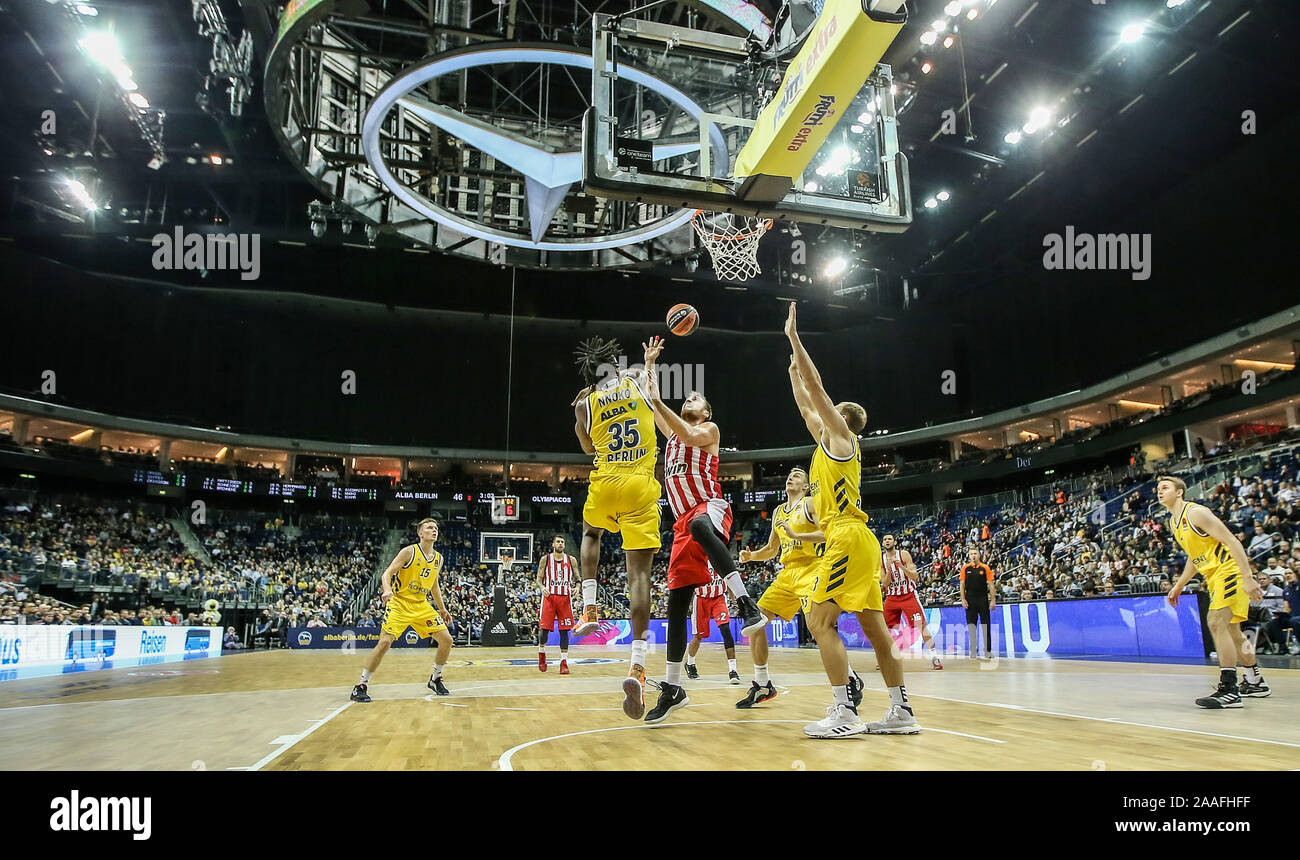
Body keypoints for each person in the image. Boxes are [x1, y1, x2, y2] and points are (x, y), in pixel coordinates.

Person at [784, 303, 918, 737]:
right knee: (876, 628)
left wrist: (794, 339)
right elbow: (807, 403)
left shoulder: (842, 439)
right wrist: (791, 373)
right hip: (859, 539)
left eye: (831, 410)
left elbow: (816, 389)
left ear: (842, 419)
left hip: (847, 538)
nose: (821, 415)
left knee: (819, 622)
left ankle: (844, 711)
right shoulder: (827, 445)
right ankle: (901, 712)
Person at [639, 336, 765, 724]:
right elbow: (651, 401)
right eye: (687, 398)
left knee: (697, 523)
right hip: (681, 525)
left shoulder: (708, 429)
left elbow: (684, 429)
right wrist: (650, 364)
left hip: (708, 507)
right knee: (677, 603)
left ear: (706, 410)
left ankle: (745, 602)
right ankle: (674, 687)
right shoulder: (673, 434)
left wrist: (659, 403)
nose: (689, 399)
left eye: (695, 398)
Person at [570, 336, 662, 718]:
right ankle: (637, 666)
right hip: (640, 484)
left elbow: (587, 448)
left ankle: (589, 607)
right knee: (638, 576)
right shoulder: (636, 377)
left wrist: (583, 407)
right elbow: (653, 397)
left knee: (591, 532)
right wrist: (650, 361)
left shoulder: (583, 404)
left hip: (606, 482)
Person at [734, 468, 847, 709]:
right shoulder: (777, 511)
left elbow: (827, 534)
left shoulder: (810, 503)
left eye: (797, 476)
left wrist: (797, 534)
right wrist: (751, 555)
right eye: (789, 475)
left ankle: (851, 678)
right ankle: (763, 683)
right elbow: (772, 549)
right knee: (756, 621)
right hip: (787, 573)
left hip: (813, 568)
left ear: (805, 486)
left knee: (818, 628)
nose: (790, 478)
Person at [1158, 475, 1267, 708]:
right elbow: (1195, 558)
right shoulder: (1173, 522)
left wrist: (1247, 577)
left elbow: (1231, 540)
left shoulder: (1195, 513)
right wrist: (1178, 585)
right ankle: (1255, 680)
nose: (1159, 491)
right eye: (1158, 488)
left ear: (1179, 492)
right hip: (1214, 576)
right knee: (1233, 632)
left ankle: (1229, 689)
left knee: (1216, 621)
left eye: (1165, 487)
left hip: (1229, 570)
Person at [351, 518, 454, 702]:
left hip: (421, 605)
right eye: (429, 528)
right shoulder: (409, 552)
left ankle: (435, 678)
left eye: (436, 528)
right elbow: (387, 573)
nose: (434, 530)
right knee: (384, 643)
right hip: (400, 602)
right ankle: (361, 685)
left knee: (446, 640)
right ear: (420, 533)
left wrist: (442, 608)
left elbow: (434, 585)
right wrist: (387, 589)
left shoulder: (438, 558)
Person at [879, 534, 942, 669]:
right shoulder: (881, 559)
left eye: (889, 539)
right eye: (885, 539)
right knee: (884, 629)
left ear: (894, 542)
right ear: (883, 543)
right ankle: (885, 658)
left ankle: (934, 657)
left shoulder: (904, 554)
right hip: (892, 597)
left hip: (909, 595)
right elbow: (884, 583)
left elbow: (915, 576)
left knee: (922, 626)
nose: (887, 541)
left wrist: (900, 566)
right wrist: (890, 569)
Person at [684, 564, 741, 685]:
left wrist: (733, 597)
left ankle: (733, 670)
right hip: (701, 599)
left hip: (719, 598)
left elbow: (728, 577)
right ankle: (690, 663)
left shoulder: (719, 555)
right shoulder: (697, 558)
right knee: (698, 636)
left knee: (725, 630)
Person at [536, 535, 578, 674]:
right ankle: (542, 653)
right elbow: (538, 580)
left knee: (564, 631)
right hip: (549, 598)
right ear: (553, 544)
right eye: (558, 542)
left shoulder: (571, 560)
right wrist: (542, 588)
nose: (560, 544)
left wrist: (577, 588)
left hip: (565, 599)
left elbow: (578, 579)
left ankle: (564, 662)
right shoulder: (545, 559)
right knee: (544, 631)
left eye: (562, 542)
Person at [960, 548, 996, 659]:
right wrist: (963, 599)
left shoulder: (985, 568)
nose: (973, 555)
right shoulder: (965, 568)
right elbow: (962, 584)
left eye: (975, 553)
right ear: (969, 556)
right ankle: (973, 651)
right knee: (971, 626)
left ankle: (988, 650)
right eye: (971, 554)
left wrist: (993, 599)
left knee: (986, 625)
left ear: (979, 555)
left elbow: (991, 584)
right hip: (970, 600)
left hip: (983, 600)